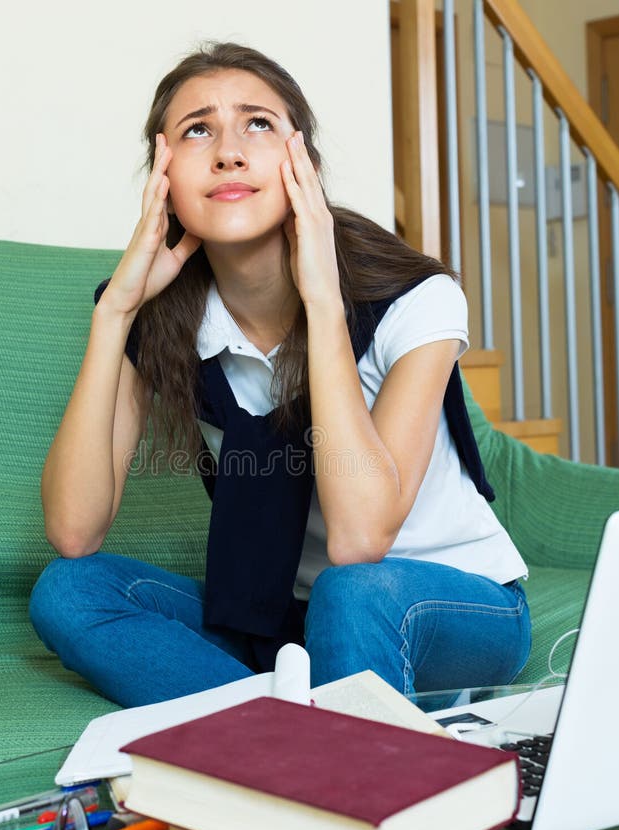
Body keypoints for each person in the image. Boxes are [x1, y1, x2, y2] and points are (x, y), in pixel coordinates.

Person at [29, 41, 531, 709]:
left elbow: (357, 542)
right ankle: (286, 730)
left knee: (350, 594)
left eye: (257, 123)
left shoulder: (415, 298)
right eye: (197, 129)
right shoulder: (161, 316)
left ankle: (301, 747)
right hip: (281, 615)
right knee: (68, 590)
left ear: (305, 163)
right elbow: (74, 530)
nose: (228, 150)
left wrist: (323, 303)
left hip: (451, 602)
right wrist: (116, 312)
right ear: (165, 177)